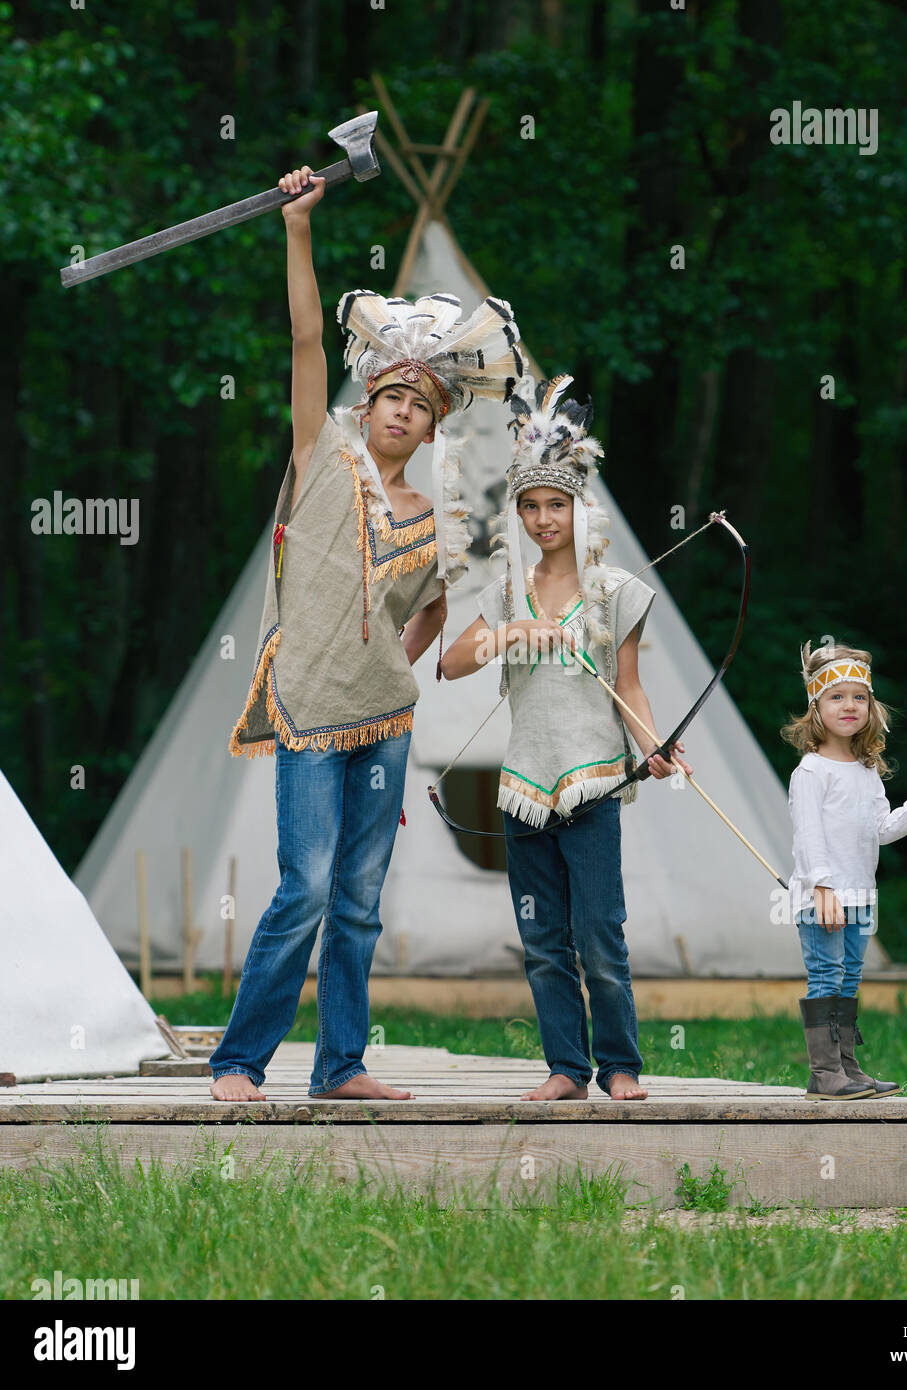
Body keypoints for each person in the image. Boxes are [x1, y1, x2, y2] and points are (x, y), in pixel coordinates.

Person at [210, 164, 522, 1102]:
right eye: (393, 393)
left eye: (422, 404)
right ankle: (237, 1062)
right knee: (301, 889)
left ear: (433, 428)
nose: (403, 409)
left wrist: (400, 661)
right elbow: (307, 336)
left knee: (356, 905)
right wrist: (298, 228)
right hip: (309, 707)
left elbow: (429, 609)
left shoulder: (433, 518)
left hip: (385, 718)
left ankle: (340, 1066)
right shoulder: (320, 459)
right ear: (369, 399)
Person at [440, 375, 691, 1101]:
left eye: (556, 504)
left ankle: (619, 1066)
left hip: (594, 779)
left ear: (580, 507)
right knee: (543, 943)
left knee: (599, 936)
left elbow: (630, 686)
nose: (543, 518)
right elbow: (451, 664)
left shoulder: (615, 590)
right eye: (530, 507)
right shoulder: (504, 592)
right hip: (523, 785)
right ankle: (564, 1069)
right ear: (515, 513)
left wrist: (652, 746)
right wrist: (511, 632)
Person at [781, 640, 907, 1099]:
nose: (850, 706)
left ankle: (847, 1068)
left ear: (871, 706)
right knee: (826, 976)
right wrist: (822, 887)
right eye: (837, 697)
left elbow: (882, 829)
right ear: (816, 707)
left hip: (860, 897)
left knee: (849, 980)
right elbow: (809, 834)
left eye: (859, 696)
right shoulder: (811, 771)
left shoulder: (867, 770)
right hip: (825, 896)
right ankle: (823, 1072)